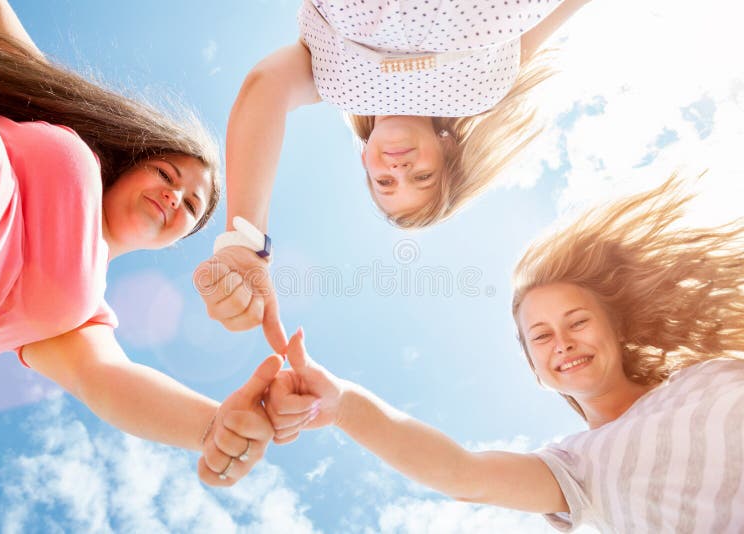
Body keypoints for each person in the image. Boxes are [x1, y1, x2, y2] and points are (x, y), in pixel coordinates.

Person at [0, 0, 314, 487]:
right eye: (166, 172)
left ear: (176, 240)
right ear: (131, 163)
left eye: (190, 206)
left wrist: (212, 426)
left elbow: (107, 381)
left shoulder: (78, 318)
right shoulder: (66, 127)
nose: (173, 194)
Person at [263, 176, 744, 531]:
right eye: (541, 336)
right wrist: (344, 404)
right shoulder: (577, 465)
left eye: (577, 321)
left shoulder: (710, 372)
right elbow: (461, 474)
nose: (563, 342)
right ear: (536, 369)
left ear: (614, 329)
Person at [194, 0, 592, 354]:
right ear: (446, 148)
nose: (399, 171)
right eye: (422, 177)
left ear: (364, 156)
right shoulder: (480, 90)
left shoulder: (333, 83)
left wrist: (245, 242)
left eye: (385, 183)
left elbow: (265, 90)